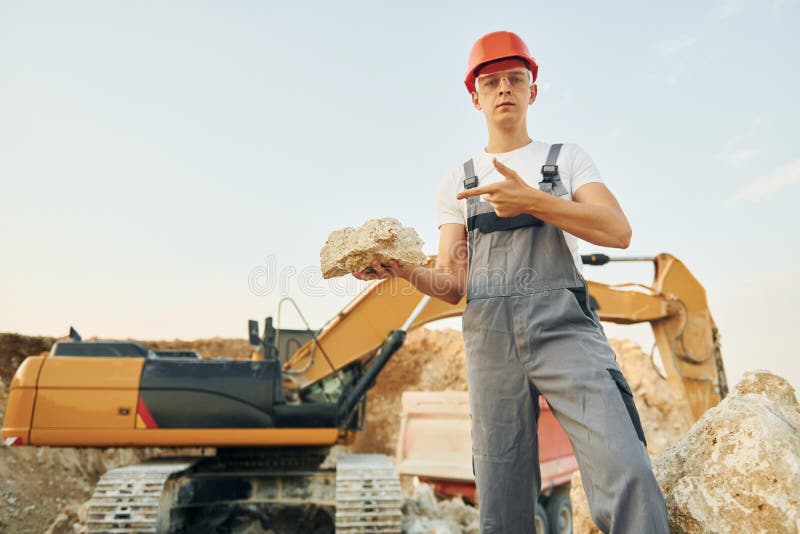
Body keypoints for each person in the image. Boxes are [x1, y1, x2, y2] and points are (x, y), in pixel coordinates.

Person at [354, 30, 669, 533]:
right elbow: (454, 284)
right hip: (490, 342)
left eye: (515, 79)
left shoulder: (567, 160)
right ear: (474, 96)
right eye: (492, 80)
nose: (504, 88)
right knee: (501, 502)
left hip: (565, 330)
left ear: (532, 90)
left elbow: (617, 230)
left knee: (625, 466)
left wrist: (533, 200)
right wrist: (402, 270)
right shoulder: (456, 181)